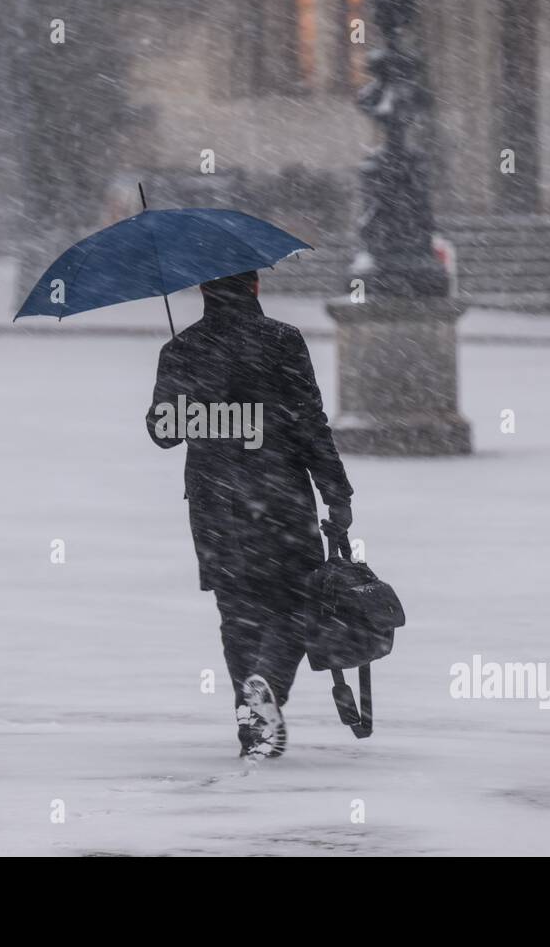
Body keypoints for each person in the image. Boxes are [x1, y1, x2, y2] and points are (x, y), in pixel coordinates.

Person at [146, 270, 353, 759]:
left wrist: (194, 397)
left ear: (202, 290)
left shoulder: (182, 349)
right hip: (279, 492)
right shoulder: (282, 341)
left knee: (236, 614)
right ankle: (268, 687)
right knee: (295, 604)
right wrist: (336, 492)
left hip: (215, 501)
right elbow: (310, 421)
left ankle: (253, 724)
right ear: (255, 287)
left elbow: (163, 432)